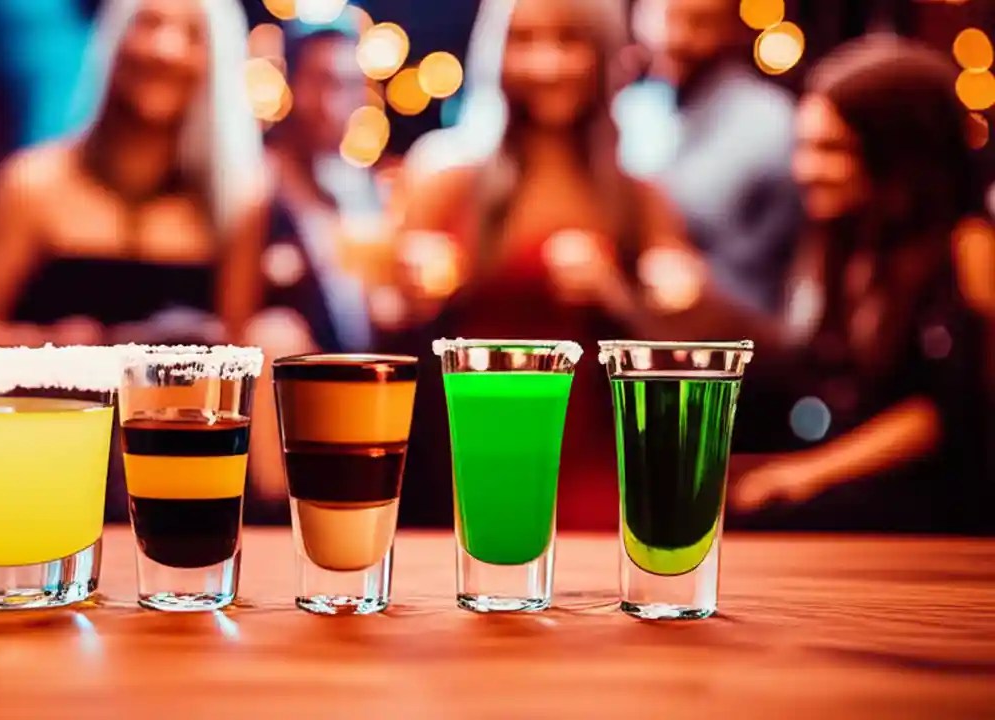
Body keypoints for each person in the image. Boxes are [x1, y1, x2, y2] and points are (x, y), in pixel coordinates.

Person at [394, 0, 697, 529]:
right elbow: (384, 315)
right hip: (463, 453)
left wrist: (617, 294)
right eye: (525, 40)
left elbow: (680, 330)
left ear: (603, 55)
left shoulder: (637, 196)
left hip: (589, 458)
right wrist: (412, 285)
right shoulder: (445, 175)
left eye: (569, 41)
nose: (546, 64)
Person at [727, 36, 992, 533]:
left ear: (901, 154)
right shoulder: (843, 239)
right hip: (854, 480)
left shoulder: (969, 248)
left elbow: (943, 415)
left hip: (928, 515)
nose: (806, 170)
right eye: (803, 146)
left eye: (833, 149)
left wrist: (807, 474)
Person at [0, 0, 266, 349]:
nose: (165, 49)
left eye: (193, 35)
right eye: (149, 24)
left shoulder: (236, 200)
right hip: (54, 401)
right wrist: (53, 346)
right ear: (114, 40)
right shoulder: (33, 184)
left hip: (178, 404)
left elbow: (238, 354)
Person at [621, 0, 800, 312]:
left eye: (700, 23)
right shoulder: (628, 110)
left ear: (732, 29)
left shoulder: (772, 123)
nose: (675, 37)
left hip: (729, 337)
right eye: (665, 17)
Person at [261, 22, 377, 356]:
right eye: (319, 81)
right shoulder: (260, 183)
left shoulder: (364, 188)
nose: (331, 104)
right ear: (291, 84)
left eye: (348, 85)